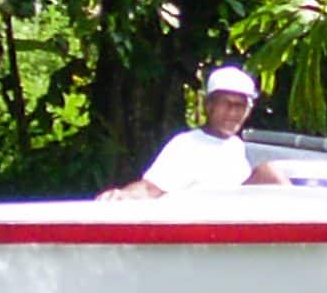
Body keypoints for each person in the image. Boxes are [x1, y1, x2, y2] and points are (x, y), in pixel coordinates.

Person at [100, 66, 285, 200]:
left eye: (240, 106)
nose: (232, 113)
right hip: (199, 236)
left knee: (269, 174)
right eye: (226, 104)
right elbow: (150, 188)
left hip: (231, 235)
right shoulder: (186, 145)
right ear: (209, 105)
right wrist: (124, 195)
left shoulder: (235, 146)